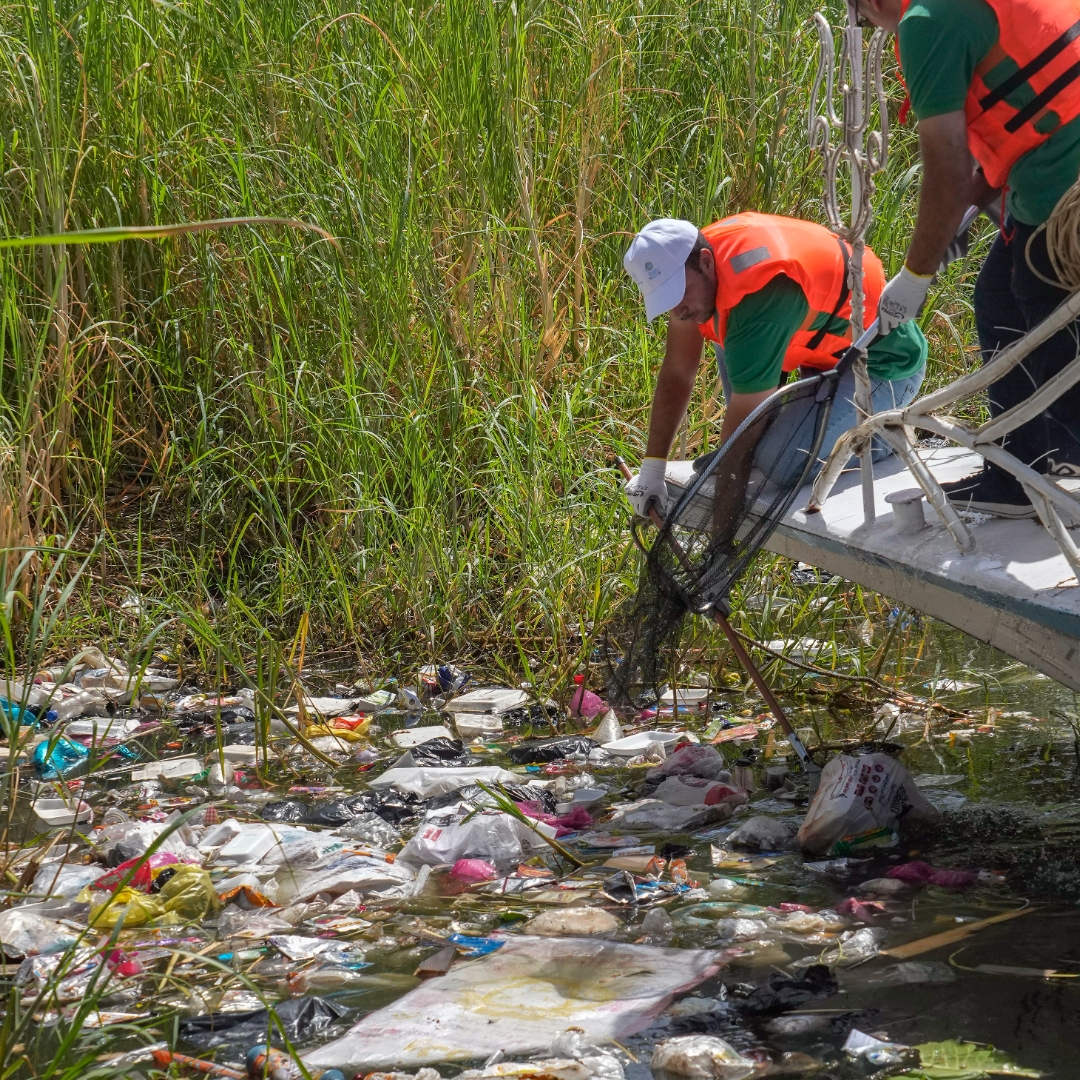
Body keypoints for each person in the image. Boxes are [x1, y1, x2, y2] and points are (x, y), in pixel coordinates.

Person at [858, 0, 1080, 518]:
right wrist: (970, 207)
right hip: (1049, 174)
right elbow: (1027, 97)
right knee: (997, 295)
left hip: (1061, 192)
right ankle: (1023, 470)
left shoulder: (925, 23)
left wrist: (915, 276)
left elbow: (945, 170)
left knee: (1056, 349)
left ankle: (1060, 449)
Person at [621, 213, 927, 517]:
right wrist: (652, 469)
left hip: (883, 368)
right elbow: (677, 372)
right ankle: (798, 432)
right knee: (715, 322)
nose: (678, 310)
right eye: (666, 300)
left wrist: (721, 540)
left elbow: (738, 441)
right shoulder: (693, 274)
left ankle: (880, 436)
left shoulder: (760, 295)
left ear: (705, 262)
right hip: (824, 357)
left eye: (679, 293)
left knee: (777, 465)